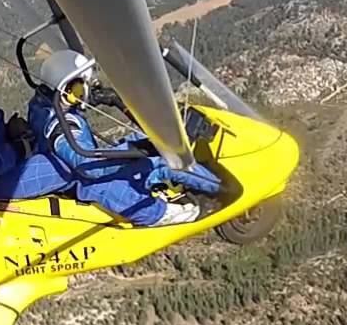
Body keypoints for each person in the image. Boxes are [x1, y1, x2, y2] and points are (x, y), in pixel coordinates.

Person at [0, 1, 207, 225]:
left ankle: (151, 174)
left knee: (73, 159)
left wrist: (8, 134)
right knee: (76, 168)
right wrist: (19, 148)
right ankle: (155, 214)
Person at [27, 49, 222, 226]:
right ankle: (220, 190)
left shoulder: (41, 106)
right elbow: (85, 163)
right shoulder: (61, 125)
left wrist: (111, 99)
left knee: (146, 139)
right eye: (82, 86)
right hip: (90, 180)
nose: (86, 90)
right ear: (70, 90)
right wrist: (147, 149)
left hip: (81, 174)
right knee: (161, 160)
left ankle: (205, 175)